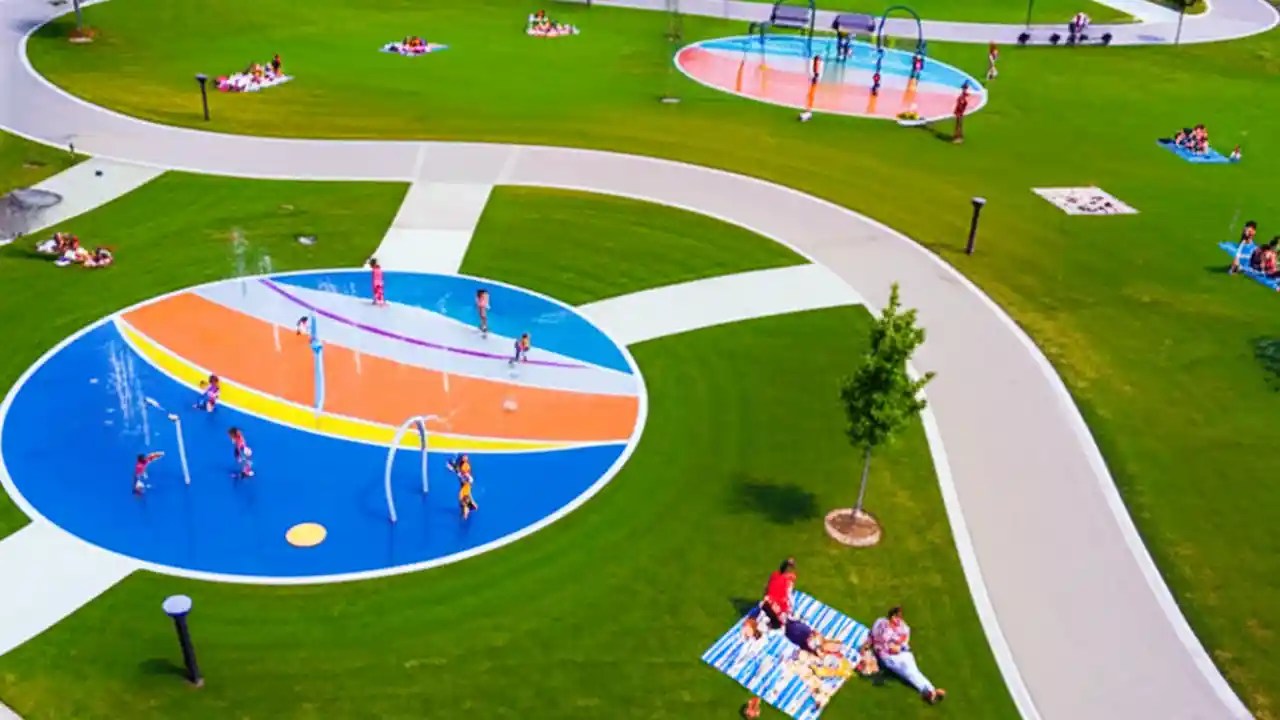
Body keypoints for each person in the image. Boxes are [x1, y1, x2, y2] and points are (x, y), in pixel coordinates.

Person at [871, 606, 946, 705]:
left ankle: (930, 691)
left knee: (913, 671)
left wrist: (899, 646)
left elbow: (905, 636)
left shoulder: (901, 626)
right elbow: (877, 642)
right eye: (897, 617)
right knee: (909, 672)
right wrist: (889, 648)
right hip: (890, 657)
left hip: (904, 652)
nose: (899, 619)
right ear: (891, 616)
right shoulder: (882, 625)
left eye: (900, 617)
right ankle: (929, 691)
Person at [760, 557, 797, 628]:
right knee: (782, 618)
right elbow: (787, 597)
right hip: (775, 605)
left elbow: (767, 589)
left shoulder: (775, 575)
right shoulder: (787, 580)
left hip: (769, 603)